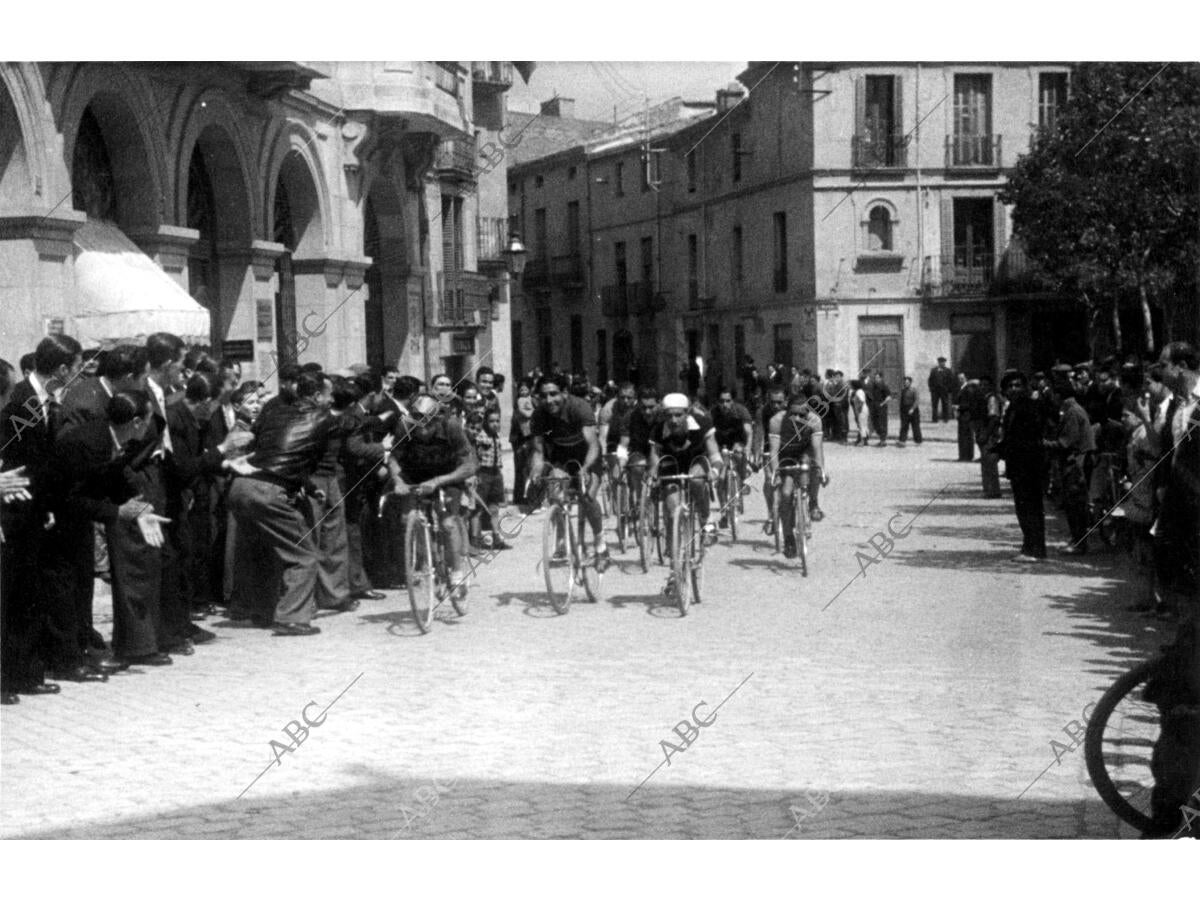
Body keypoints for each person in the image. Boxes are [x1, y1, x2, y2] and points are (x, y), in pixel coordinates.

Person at [1, 335, 84, 702]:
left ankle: (26, 672)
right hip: (16, 511)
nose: (78, 375)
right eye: (77, 368)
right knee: (17, 595)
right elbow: (18, 460)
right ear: (62, 369)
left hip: (35, 509)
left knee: (29, 593)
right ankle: (15, 674)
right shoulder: (21, 402)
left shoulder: (44, 398)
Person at [227, 370, 337, 636]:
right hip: (269, 491)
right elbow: (351, 426)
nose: (331, 400)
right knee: (304, 555)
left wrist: (308, 487)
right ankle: (292, 618)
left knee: (265, 552)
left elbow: (276, 453)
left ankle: (259, 611)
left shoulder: (272, 411)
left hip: (241, 486)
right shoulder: (323, 418)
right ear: (316, 396)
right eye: (328, 395)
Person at [1143, 340, 1200, 836]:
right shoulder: (1186, 412)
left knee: (1183, 702)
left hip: (1190, 560)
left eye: (1165, 365)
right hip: (1184, 558)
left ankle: (1171, 821)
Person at [386, 394, 478, 592]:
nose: (423, 430)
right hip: (415, 474)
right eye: (418, 423)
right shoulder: (405, 426)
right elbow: (393, 458)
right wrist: (398, 481)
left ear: (438, 420)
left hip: (447, 476)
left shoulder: (451, 426)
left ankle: (456, 571)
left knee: (447, 523)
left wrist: (437, 482)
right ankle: (425, 558)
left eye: (428, 424)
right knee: (407, 518)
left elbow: (469, 466)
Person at [526, 373, 609, 574]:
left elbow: (593, 444)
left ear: (564, 392)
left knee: (587, 497)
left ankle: (600, 544)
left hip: (587, 456)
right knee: (554, 491)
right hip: (562, 456)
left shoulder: (579, 407)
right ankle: (563, 537)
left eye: (553, 394)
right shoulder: (539, 415)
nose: (549, 400)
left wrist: (586, 469)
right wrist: (535, 472)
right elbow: (538, 450)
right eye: (544, 396)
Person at [649, 393, 722, 582]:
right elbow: (655, 455)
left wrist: (715, 470)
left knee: (697, 480)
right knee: (672, 510)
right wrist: (653, 473)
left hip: (696, 460)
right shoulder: (659, 429)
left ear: (687, 413)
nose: (673, 420)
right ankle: (674, 569)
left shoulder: (702, 423)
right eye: (669, 415)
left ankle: (707, 520)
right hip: (672, 464)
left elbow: (714, 452)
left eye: (678, 415)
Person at [768, 392, 827, 559]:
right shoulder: (777, 421)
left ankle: (813, 502)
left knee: (812, 467)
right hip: (786, 454)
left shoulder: (815, 420)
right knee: (786, 494)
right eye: (793, 414)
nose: (798, 418)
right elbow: (773, 451)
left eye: (802, 415)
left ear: (807, 412)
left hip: (805, 451)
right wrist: (775, 473)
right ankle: (789, 538)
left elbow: (817, 449)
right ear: (787, 412)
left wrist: (821, 471)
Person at [996, 371, 1046, 561]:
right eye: (1010, 386)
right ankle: (1030, 546)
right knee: (1023, 507)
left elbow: (1030, 437)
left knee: (1030, 508)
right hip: (1018, 466)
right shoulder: (1012, 408)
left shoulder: (1029, 407)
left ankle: (1034, 549)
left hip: (1029, 466)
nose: (1014, 389)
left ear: (1024, 387)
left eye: (1018, 385)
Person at [1047, 384, 1096, 555]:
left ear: (1059, 395)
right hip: (1074, 463)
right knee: (1074, 504)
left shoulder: (1073, 412)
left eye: (1053, 394)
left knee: (1075, 504)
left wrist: (1042, 443)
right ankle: (1077, 539)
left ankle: (1079, 542)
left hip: (1075, 464)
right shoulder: (1073, 410)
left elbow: (1065, 443)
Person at [466, 407, 509, 552]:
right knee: (478, 509)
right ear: (485, 422)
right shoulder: (480, 436)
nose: (495, 424)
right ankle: (475, 540)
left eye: (497, 421)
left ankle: (496, 537)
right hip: (483, 474)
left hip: (496, 473)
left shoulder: (496, 436)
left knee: (494, 507)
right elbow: (474, 454)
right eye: (491, 421)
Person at [711, 387, 753, 528]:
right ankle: (724, 511)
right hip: (721, 441)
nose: (724, 404)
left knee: (739, 456)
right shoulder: (714, 412)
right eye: (722, 401)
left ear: (732, 401)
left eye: (728, 401)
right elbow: (708, 433)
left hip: (738, 439)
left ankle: (742, 478)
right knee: (720, 479)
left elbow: (748, 432)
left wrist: (747, 448)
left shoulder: (741, 411)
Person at [759, 386, 789, 530]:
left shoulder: (792, 411)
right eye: (773, 402)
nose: (776, 405)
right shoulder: (763, 412)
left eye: (779, 402)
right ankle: (771, 515)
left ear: (786, 401)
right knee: (768, 480)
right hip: (769, 448)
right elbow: (759, 432)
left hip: (789, 448)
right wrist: (756, 453)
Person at [510, 379, 536, 509]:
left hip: (529, 435)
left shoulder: (532, 399)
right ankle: (518, 496)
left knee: (529, 467)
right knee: (521, 469)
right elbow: (526, 413)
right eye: (521, 389)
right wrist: (534, 413)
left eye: (525, 389)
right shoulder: (520, 401)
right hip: (520, 437)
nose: (523, 391)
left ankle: (526, 495)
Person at [975, 375, 1002, 497]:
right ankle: (988, 489)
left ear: (990, 386)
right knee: (986, 462)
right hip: (984, 432)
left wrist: (986, 434)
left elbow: (994, 418)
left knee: (990, 462)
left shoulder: (991, 399)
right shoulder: (983, 398)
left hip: (990, 434)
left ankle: (993, 490)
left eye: (985, 385)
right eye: (981, 385)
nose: (982, 387)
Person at [866, 370, 891, 447]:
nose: (876, 379)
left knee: (882, 424)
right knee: (876, 423)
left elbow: (889, 397)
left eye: (877, 377)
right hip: (874, 407)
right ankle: (881, 440)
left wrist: (882, 404)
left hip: (882, 408)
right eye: (875, 378)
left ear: (881, 378)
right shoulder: (874, 386)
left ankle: (883, 441)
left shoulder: (884, 386)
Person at [955, 373, 976, 461]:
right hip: (962, 416)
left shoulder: (968, 389)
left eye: (962, 378)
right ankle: (963, 455)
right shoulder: (961, 388)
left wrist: (959, 407)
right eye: (959, 379)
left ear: (965, 378)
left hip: (967, 416)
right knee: (962, 436)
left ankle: (967, 455)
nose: (960, 380)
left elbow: (970, 403)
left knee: (967, 436)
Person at [897, 376, 923, 447]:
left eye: (907, 382)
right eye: (905, 382)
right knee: (904, 426)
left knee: (915, 426)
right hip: (904, 410)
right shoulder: (903, 390)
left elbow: (917, 400)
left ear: (910, 383)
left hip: (913, 410)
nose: (906, 384)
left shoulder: (914, 390)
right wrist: (901, 410)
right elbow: (901, 401)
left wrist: (912, 409)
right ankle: (902, 441)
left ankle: (918, 441)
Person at [928, 357, 954, 422]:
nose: (942, 363)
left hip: (944, 390)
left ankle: (945, 418)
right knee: (934, 404)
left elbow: (951, 380)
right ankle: (934, 419)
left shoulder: (948, 370)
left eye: (943, 362)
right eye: (941, 362)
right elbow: (930, 380)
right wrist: (931, 389)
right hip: (935, 391)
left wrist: (948, 389)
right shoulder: (933, 370)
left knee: (945, 404)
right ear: (939, 363)